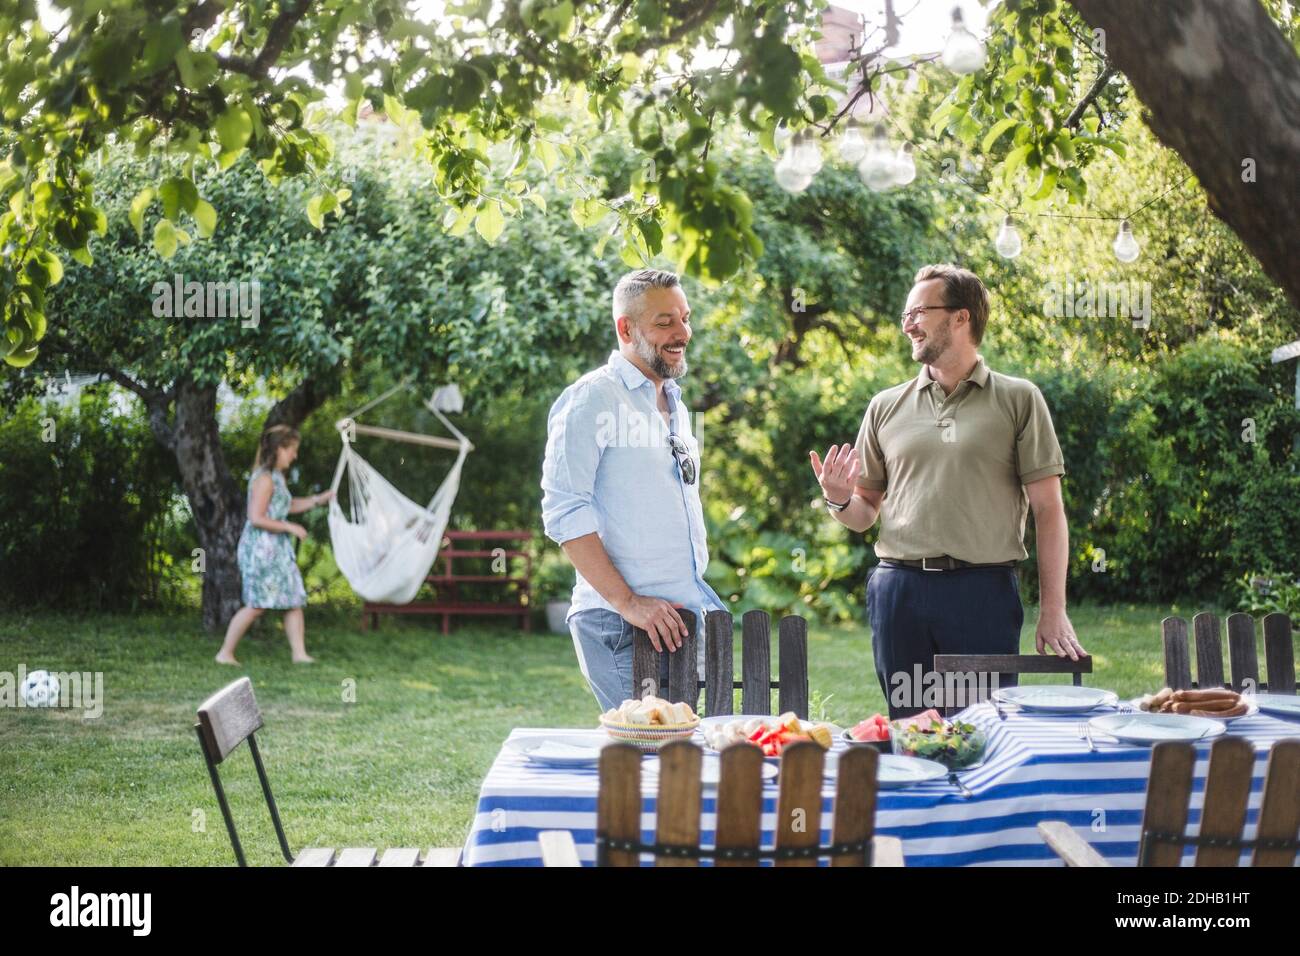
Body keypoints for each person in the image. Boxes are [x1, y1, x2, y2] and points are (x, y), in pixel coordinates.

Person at [811, 263, 1087, 717]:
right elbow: (864, 512)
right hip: (897, 589)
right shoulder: (885, 405)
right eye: (905, 315)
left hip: (981, 592)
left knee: (979, 730)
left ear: (961, 317)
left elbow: (1048, 511)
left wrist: (1053, 609)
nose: (908, 325)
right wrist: (838, 497)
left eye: (919, 311)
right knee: (910, 729)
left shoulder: (1019, 399)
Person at [541, 268, 726, 712]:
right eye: (665, 322)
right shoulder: (593, 397)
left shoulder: (674, 403)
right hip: (620, 625)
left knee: (676, 765)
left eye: (686, 318)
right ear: (626, 328)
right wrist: (628, 602)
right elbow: (564, 511)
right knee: (645, 760)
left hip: (678, 621)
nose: (683, 332)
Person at [215, 425, 334, 665]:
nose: (295, 455)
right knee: (257, 604)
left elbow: (284, 507)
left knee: (293, 599)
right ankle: (225, 653)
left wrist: (317, 500)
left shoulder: (277, 477)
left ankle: (299, 654)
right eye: (292, 450)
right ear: (279, 448)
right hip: (261, 549)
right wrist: (290, 527)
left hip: (277, 548)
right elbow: (256, 517)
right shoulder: (265, 478)